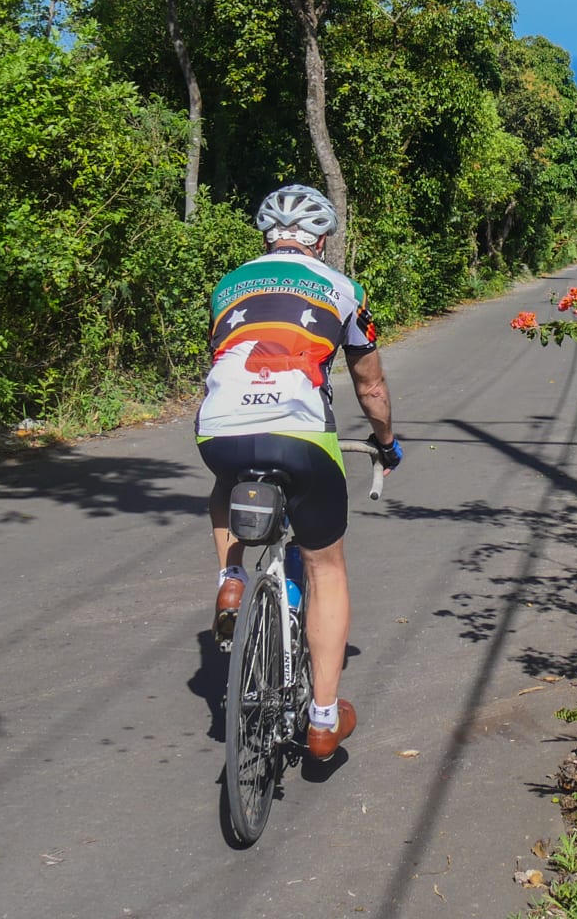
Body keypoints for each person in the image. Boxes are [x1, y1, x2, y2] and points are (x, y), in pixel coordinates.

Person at [195, 184, 402, 760]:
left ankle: (231, 578)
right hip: (300, 434)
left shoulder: (227, 285)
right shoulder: (343, 289)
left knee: (227, 481)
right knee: (325, 567)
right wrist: (386, 444)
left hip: (220, 429)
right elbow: (370, 386)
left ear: (267, 236)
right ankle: (323, 721)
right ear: (322, 240)